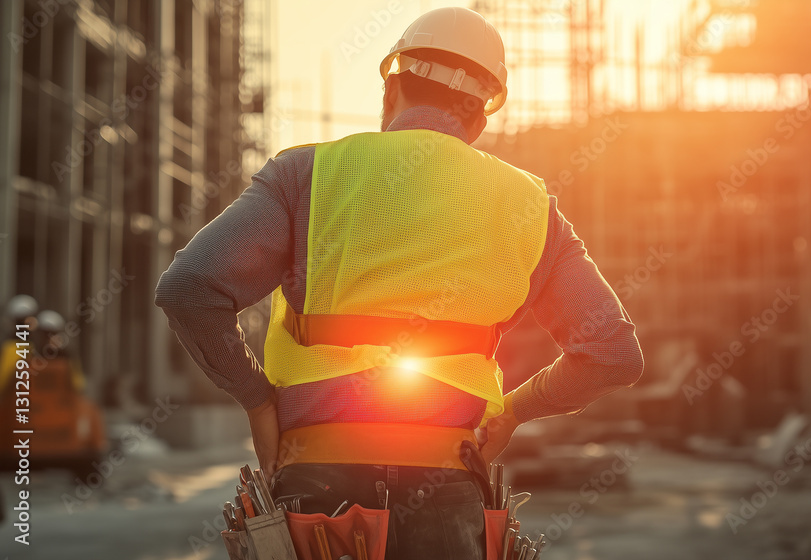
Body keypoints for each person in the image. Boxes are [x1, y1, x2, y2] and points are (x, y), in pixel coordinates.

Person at [155, 7, 642, 559]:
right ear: (481, 115)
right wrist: (513, 412)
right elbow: (613, 354)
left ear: (391, 89)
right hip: (448, 485)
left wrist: (256, 400)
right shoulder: (532, 208)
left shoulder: (306, 174)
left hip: (316, 484)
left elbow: (190, 288)